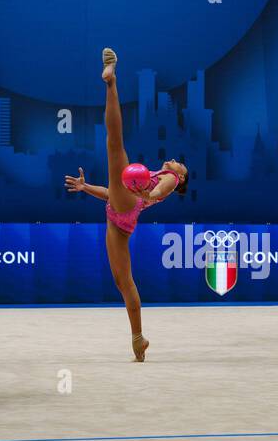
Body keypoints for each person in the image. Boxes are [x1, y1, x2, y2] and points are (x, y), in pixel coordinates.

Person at [63, 48, 188, 361]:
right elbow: (111, 193)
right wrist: (85, 187)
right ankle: (138, 339)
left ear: (181, 178)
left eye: (180, 164)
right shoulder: (159, 175)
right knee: (123, 281)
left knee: (114, 141)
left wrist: (150, 194)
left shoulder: (171, 180)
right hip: (120, 218)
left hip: (131, 203)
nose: (175, 161)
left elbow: (160, 191)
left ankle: (111, 81)